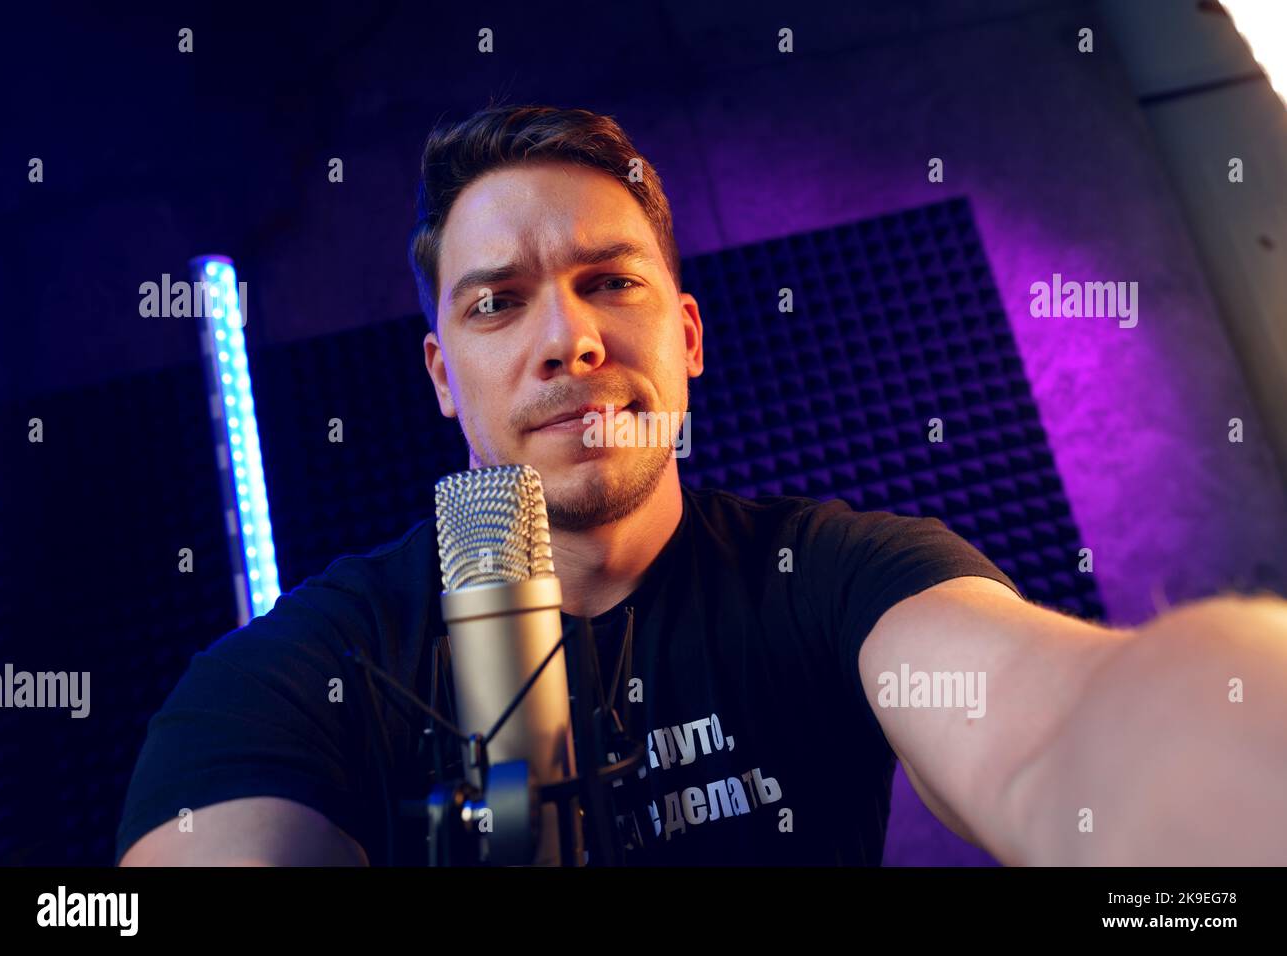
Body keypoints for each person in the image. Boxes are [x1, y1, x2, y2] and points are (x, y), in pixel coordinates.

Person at [117, 104, 1287, 866]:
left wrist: (1218, 748)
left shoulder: (838, 576)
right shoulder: (299, 670)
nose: (568, 338)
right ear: (442, 374)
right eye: (496, 301)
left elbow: (1054, 729)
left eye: (608, 280)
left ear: (687, 334)